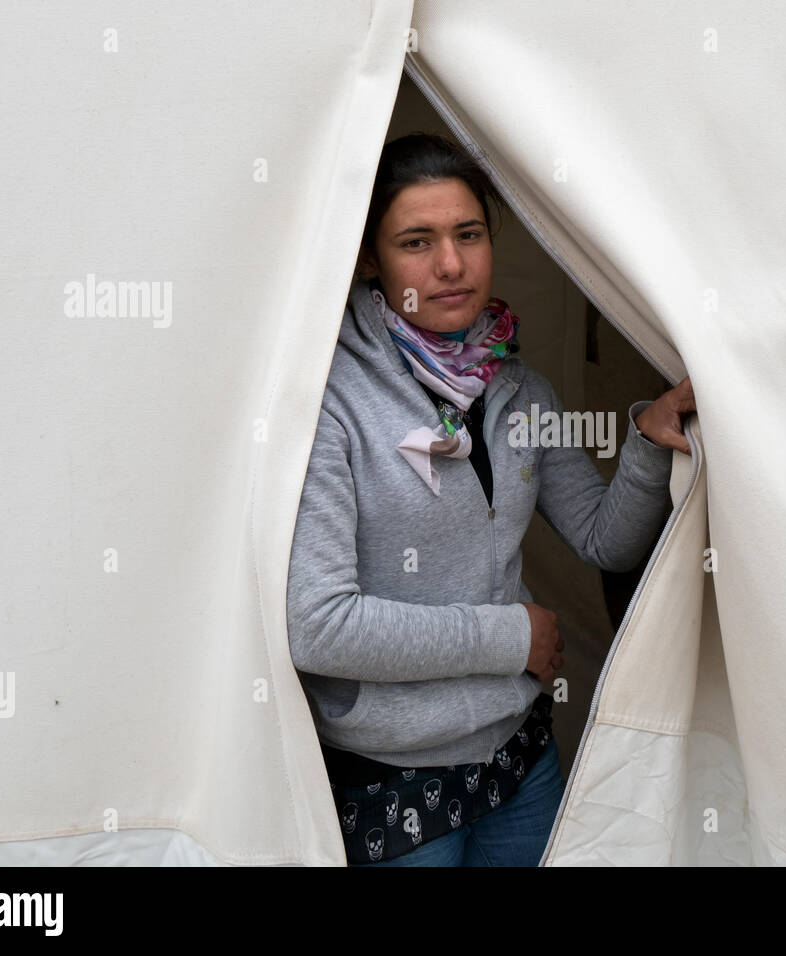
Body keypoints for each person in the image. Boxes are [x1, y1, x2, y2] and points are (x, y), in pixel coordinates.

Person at [286, 132, 696, 866]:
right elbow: (319, 627)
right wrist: (513, 637)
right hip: (391, 776)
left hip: (519, 757)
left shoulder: (517, 387)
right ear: (370, 259)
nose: (450, 264)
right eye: (417, 241)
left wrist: (645, 440)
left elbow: (607, 543)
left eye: (468, 234)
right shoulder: (330, 404)